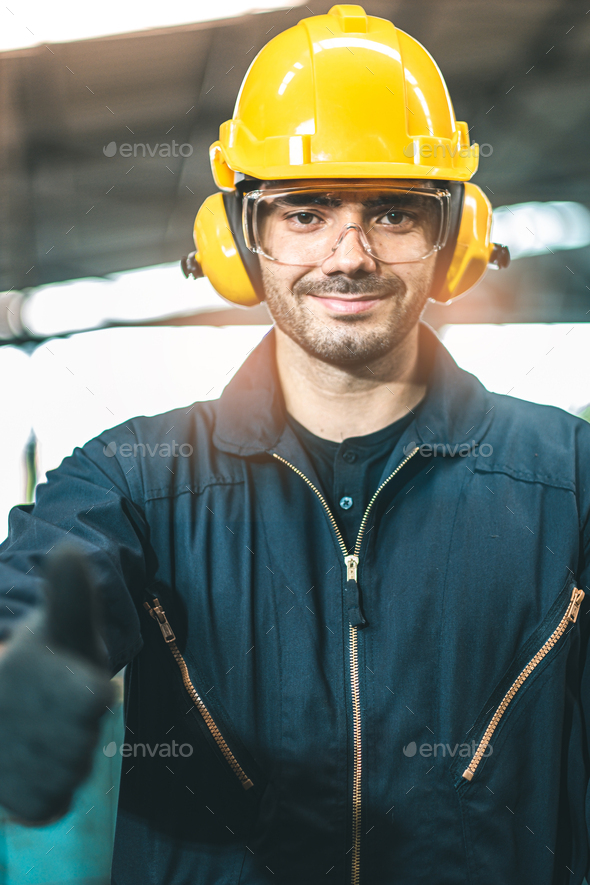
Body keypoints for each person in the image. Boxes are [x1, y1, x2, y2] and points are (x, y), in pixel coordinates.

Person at [0, 5, 589, 884]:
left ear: (455, 239)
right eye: (304, 213)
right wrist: (22, 675)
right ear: (238, 241)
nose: (348, 255)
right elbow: (34, 596)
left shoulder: (570, 480)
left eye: (394, 213)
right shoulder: (129, 483)